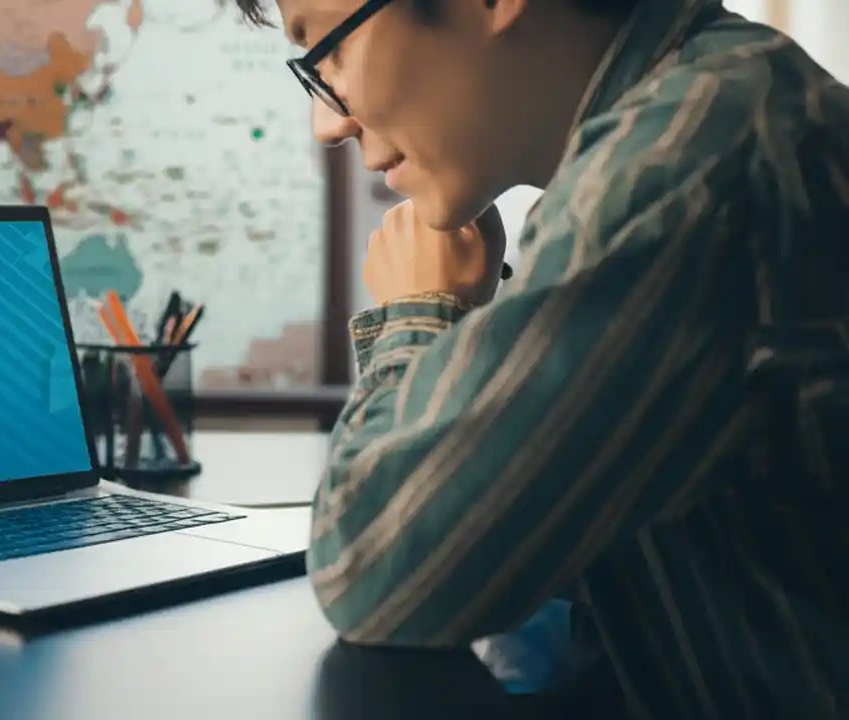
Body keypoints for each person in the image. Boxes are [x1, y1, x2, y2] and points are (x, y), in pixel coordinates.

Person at [233, 0, 849, 716]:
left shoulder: (689, 163)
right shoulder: (714, 108)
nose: (328, 122)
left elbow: (375, 569)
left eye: (327, 51)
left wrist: (419, 310)